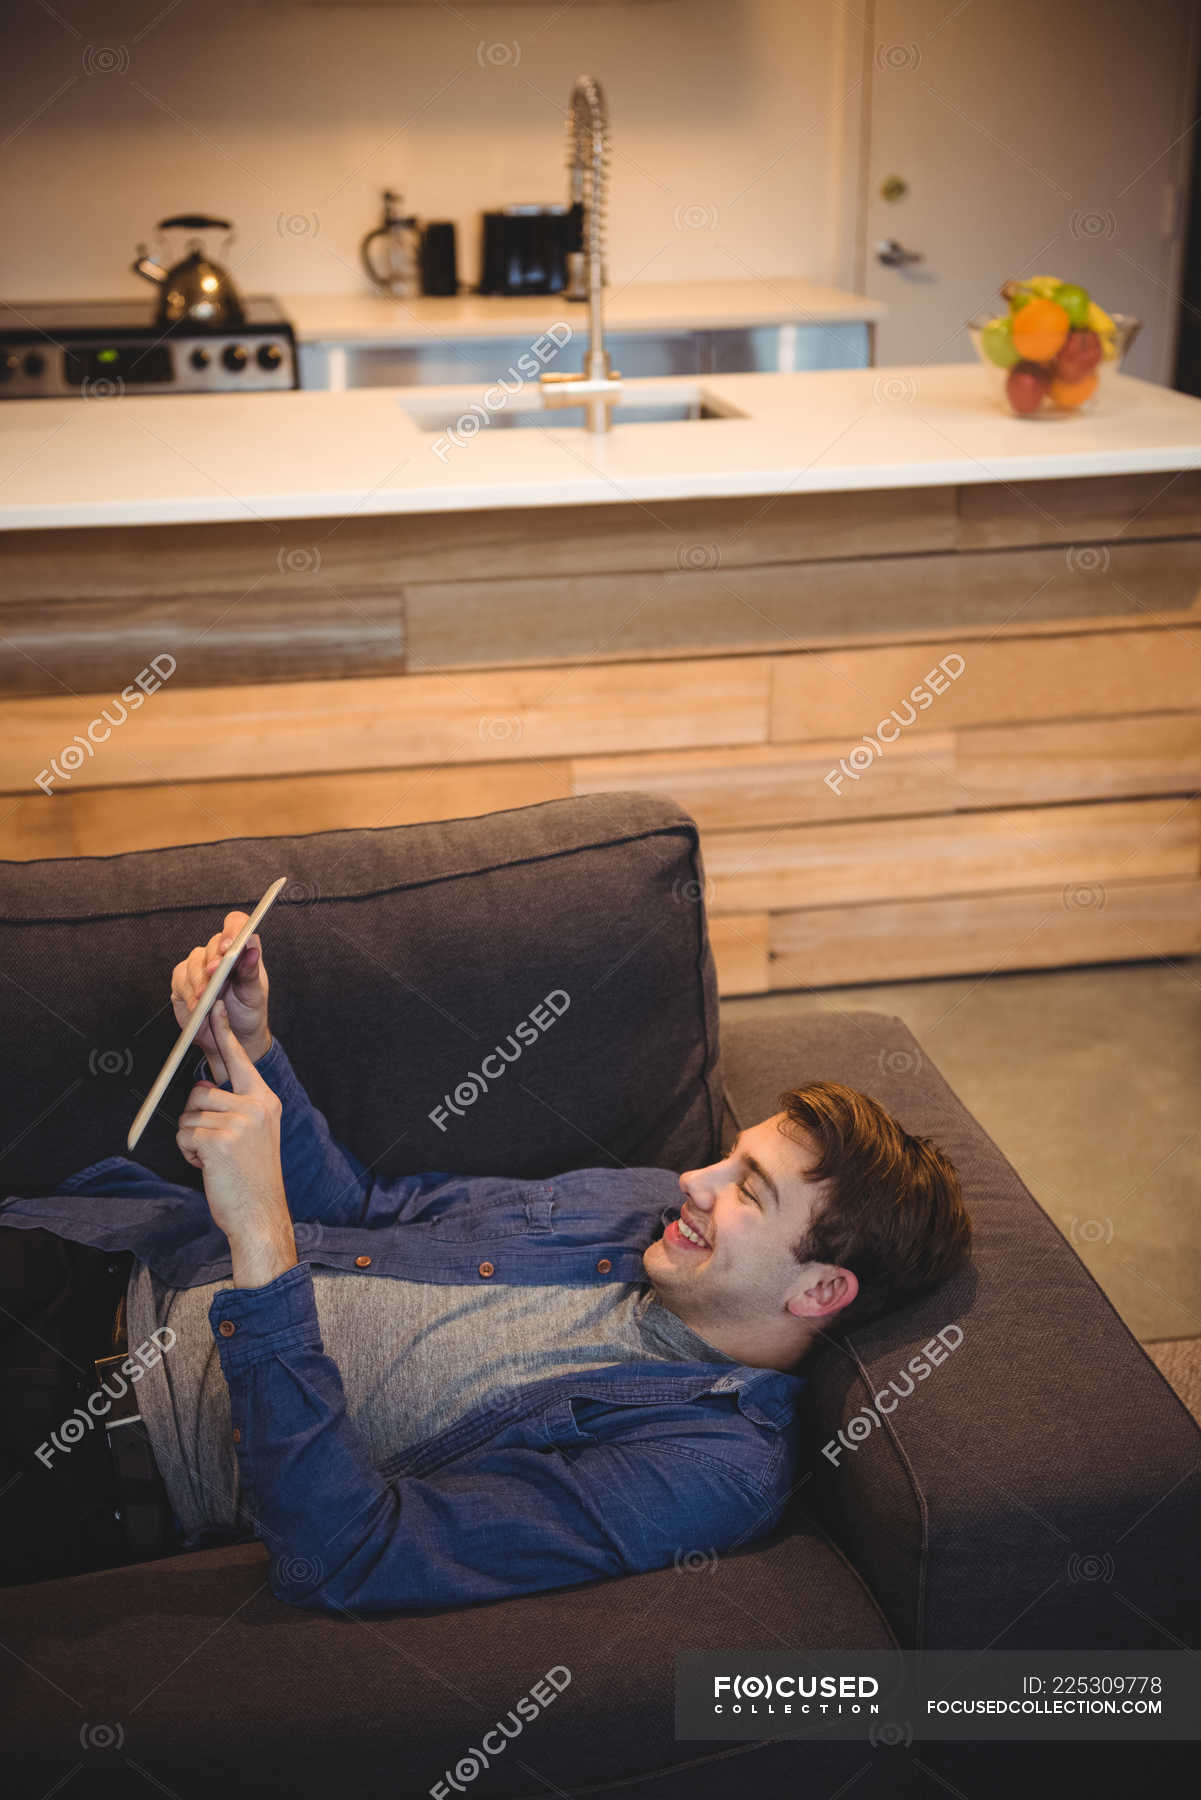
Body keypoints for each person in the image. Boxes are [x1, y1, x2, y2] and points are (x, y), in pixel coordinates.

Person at [0, 913, 972, 1609]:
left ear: (820, 1290)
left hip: (90, 1453)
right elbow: (371, 1213)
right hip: (102, 1254)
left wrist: (263, 1244)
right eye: (725, 1158)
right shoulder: (638, 1212)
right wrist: (253, 1048)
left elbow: (352, 1555)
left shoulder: (706, 1469)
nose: (692, 1179)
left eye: (745, 1190)